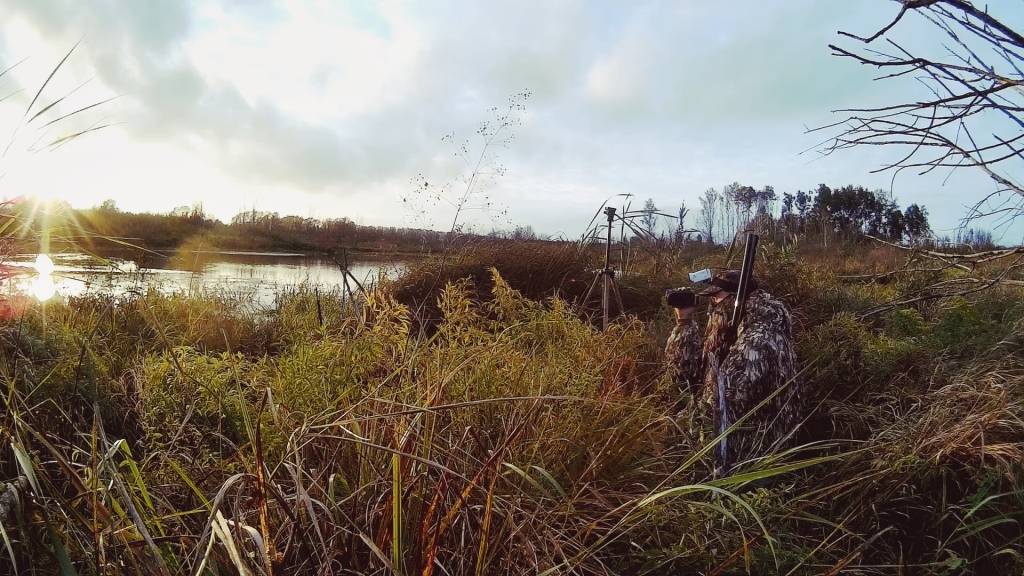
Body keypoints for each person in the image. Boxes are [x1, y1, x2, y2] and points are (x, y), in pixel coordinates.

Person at [665, 270, 800, 469]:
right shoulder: (741, 325)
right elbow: (690, 372)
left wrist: (682, 426)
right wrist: (684, 320)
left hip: (759, 453)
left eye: (716, 299)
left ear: (734, 300)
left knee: (672, 438)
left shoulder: (758, 339)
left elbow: (720, 402)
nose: (713, 307)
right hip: (748, 435)